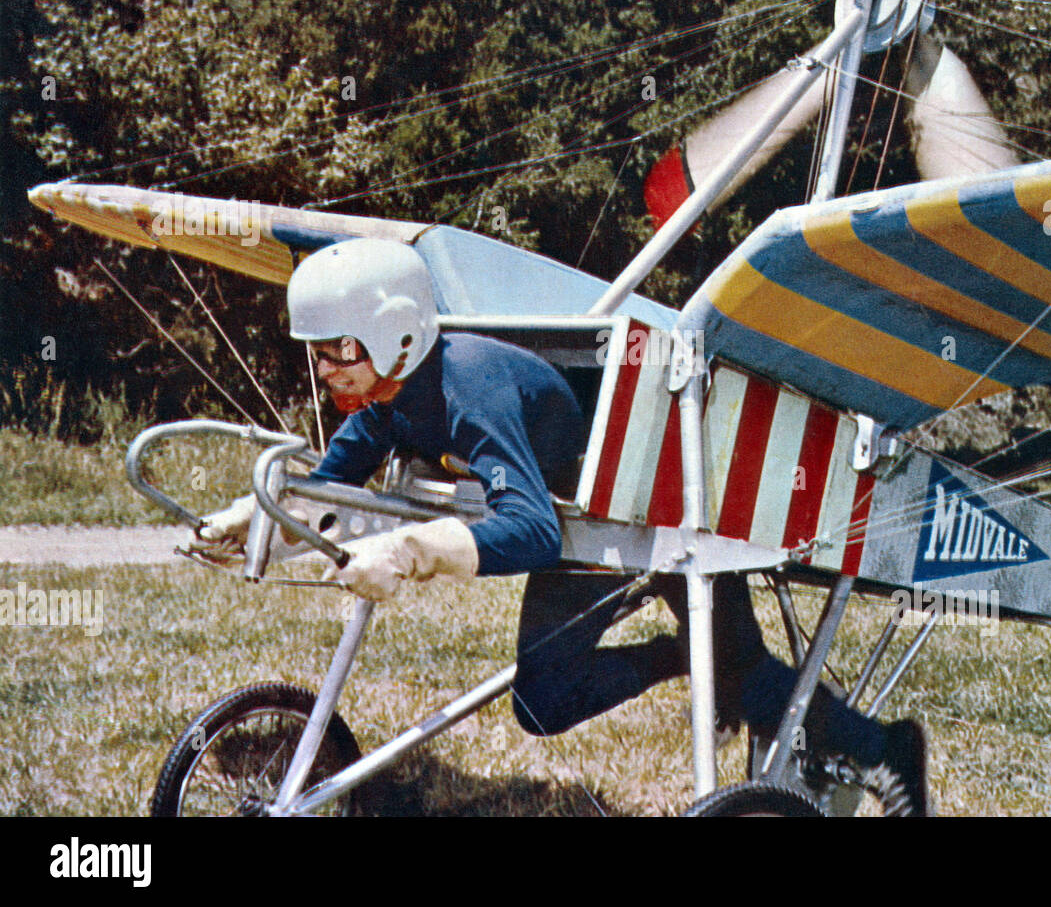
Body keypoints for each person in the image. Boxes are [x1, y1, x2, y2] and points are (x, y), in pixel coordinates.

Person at [189, 237, 927, 815]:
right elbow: (331, 484)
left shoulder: (466, 387)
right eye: (315, 352)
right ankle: (681, 657)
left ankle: (886, 748)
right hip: (602, 526)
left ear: (394, 333)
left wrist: (414, 549)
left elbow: (533, 528)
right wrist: (259, 515)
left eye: (339, 349)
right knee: (545, 702)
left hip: (655, 507)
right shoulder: (386, 395)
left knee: (742, 672)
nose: (324, 369)